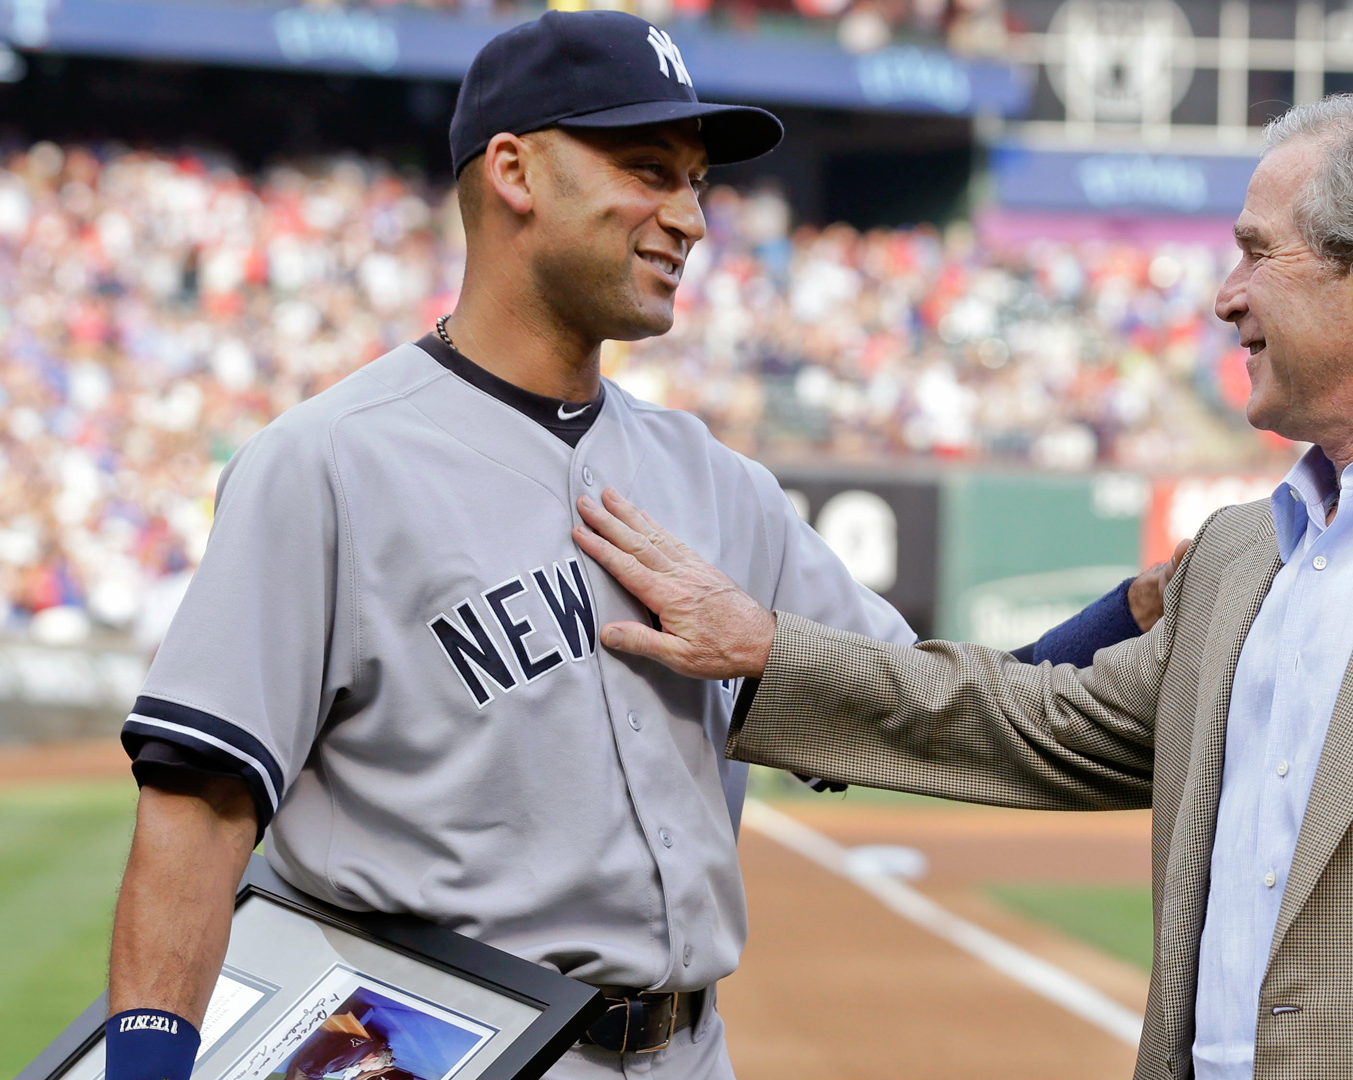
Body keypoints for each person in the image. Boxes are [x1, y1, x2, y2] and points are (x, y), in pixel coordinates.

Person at [568, 91, 1353, 1080]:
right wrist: (767, 651)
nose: (1223, 296)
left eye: (1257, 251)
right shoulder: (1247, 552)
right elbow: (1028, 720)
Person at [99, 12, 1162, 1080]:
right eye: (649, 171)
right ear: (514, 172)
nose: (690, 218)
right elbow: (201, 805)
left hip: (689, 1051)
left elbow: (920, 705)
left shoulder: (715, 482)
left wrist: (1138, 613)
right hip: (433, 1051)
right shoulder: (328, 462)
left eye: (696, 183)